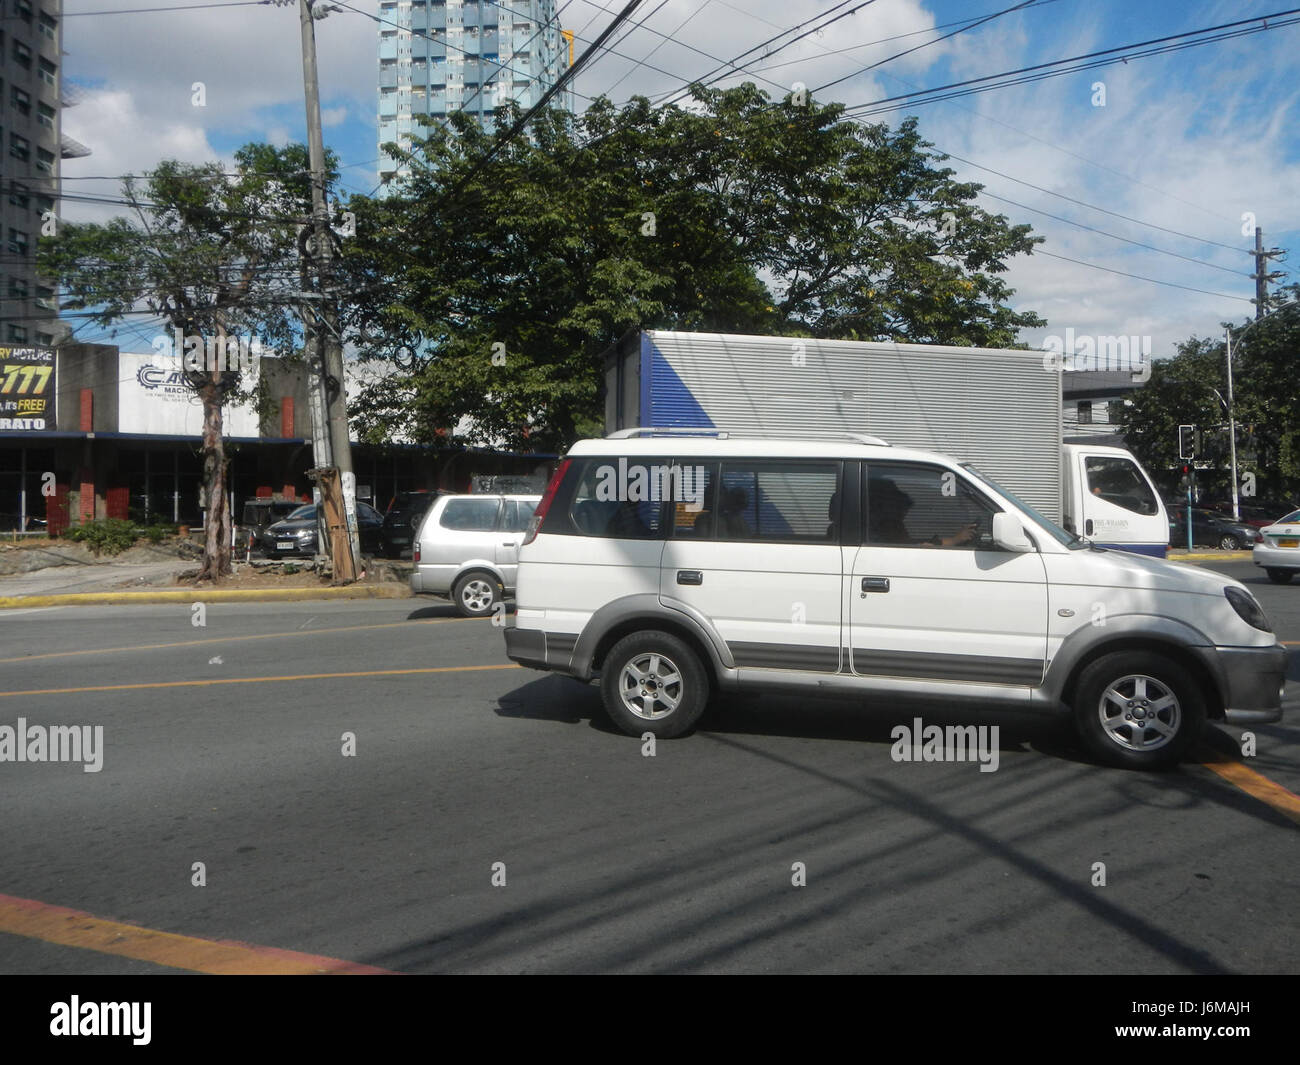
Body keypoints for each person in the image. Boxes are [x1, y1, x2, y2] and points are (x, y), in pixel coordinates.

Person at [868, 477, 977, 548]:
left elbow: (908, 544)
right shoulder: (886, 527)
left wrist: (955, 539)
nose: (904, 512)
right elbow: (905, 550)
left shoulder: (893, 525)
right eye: (898, 506)